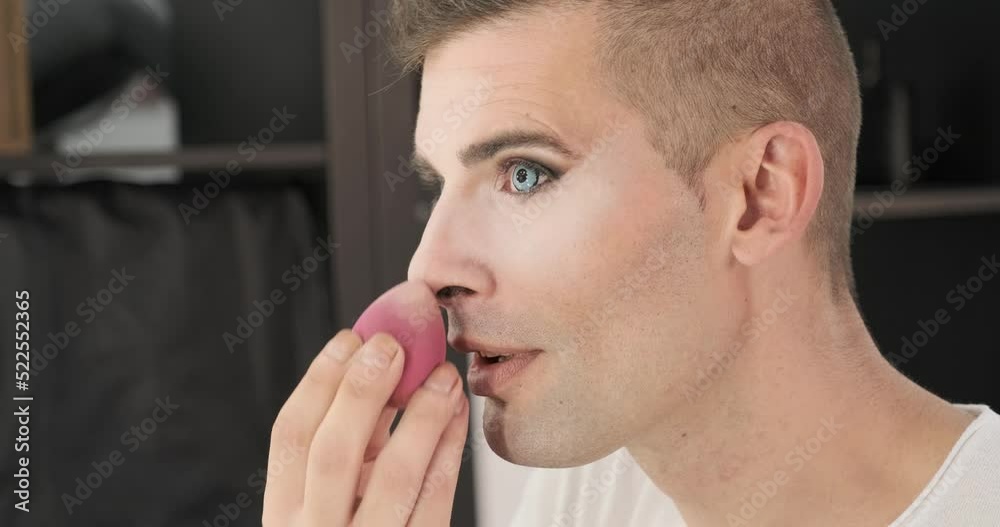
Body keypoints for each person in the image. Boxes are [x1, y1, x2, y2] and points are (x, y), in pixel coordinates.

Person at [261, 1, 1000, 525]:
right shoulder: (583, 483)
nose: (427, 269)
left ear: (759, 195)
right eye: (438, 186)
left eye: (525, 173)